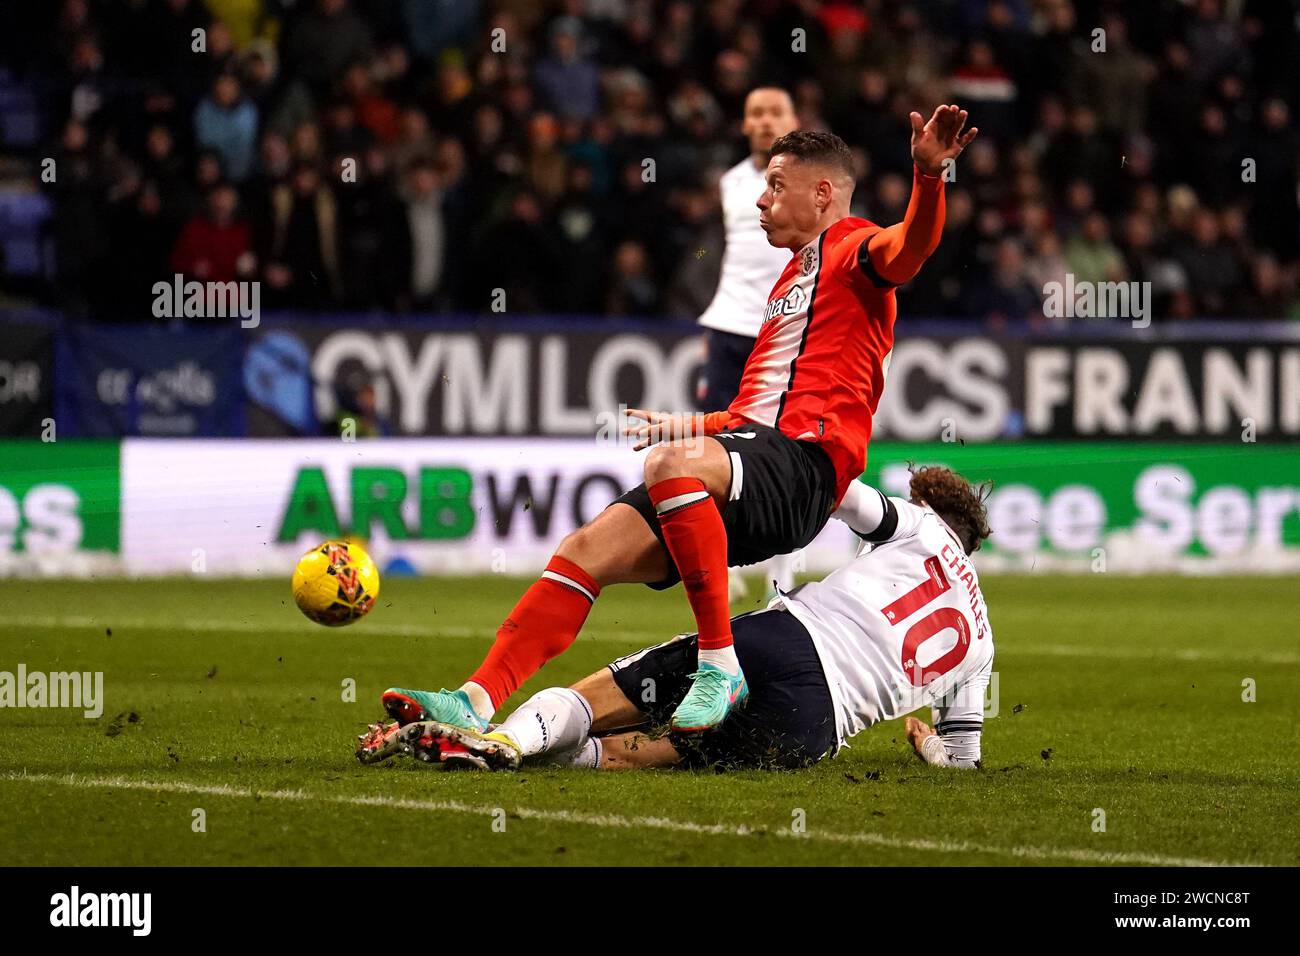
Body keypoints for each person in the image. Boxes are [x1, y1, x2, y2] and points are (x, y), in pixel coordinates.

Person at [380, 106, 978, 737]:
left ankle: (720, 665)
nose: (761, 201)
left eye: (776, 185)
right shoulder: (794, 278)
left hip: (805, 471)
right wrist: (692, 425)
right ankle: (476, 699)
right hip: (759, 456)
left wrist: (927, 176)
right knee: (585, 551)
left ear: (823, 192)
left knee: (669, 468)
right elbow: (756, 413)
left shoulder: (855, 248)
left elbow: (911, 249)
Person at [359, 466, 994, 773]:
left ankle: (500, 739)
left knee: (598, 699)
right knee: (635, 757)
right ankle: (508, 750)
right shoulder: (983, 643)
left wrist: (767, 467)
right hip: (812, 730)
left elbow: (837, 492)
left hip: (783, 645)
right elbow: (962, 759)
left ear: (937, 512)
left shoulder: (921, 525)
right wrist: (929, 746)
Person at [696, 86, 802, 601]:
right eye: (755, 114)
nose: (764, 121)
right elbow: (732, 259)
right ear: (743, 125)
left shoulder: (811, 183)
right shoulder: (730, 182)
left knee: (788, 447)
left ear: (793, 119)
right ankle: (722, 561)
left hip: (787, 329)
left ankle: (783, 569)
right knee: (713, 448)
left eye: (774, 112)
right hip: (729, 328)